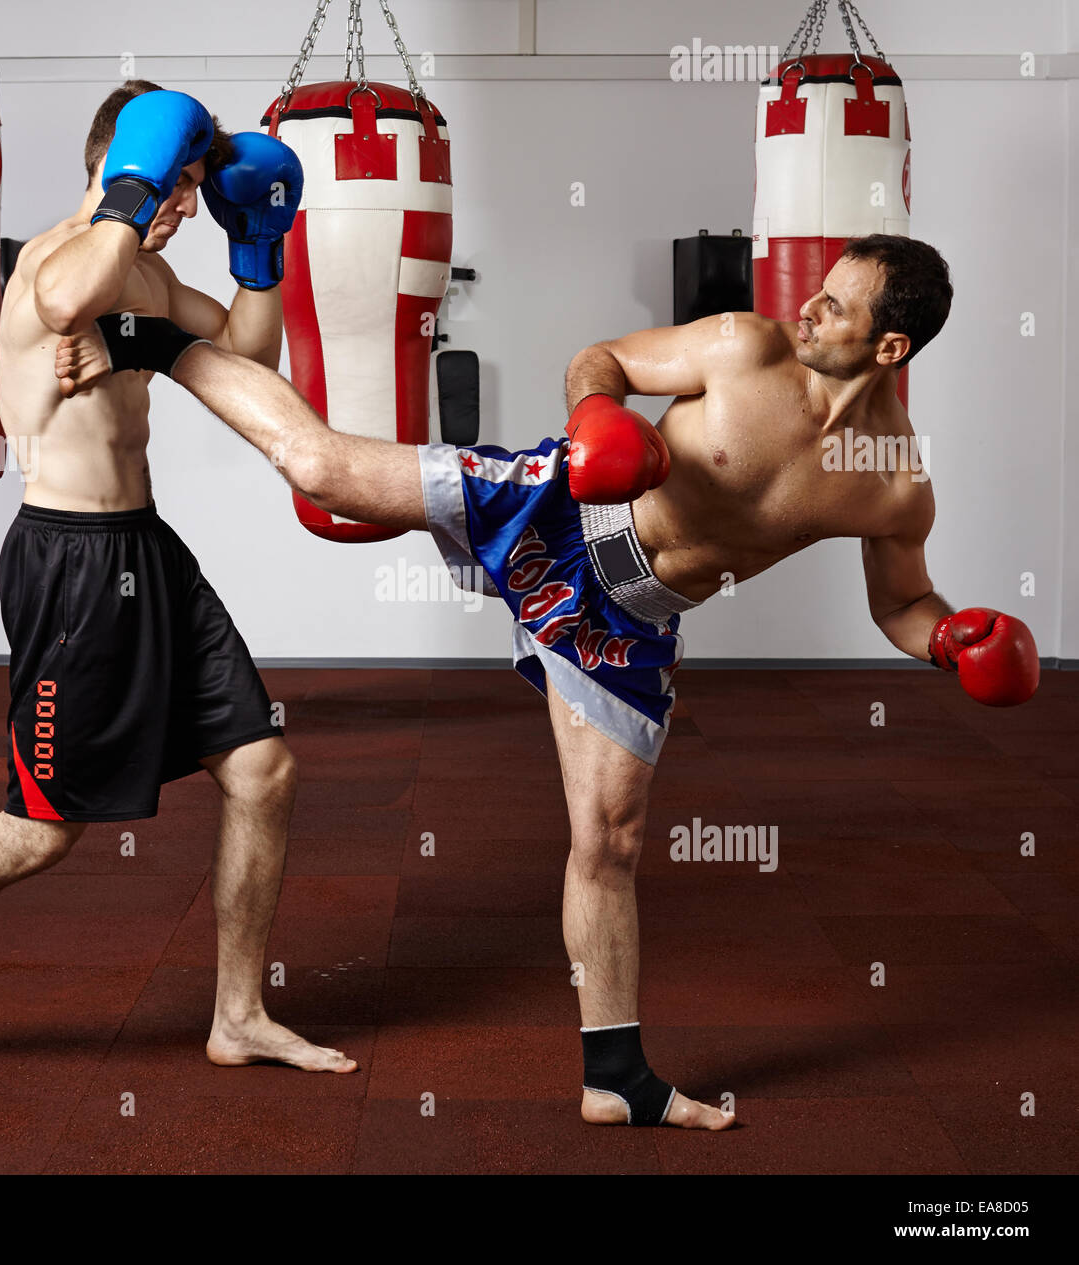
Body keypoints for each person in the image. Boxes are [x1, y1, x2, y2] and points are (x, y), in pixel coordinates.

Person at [54, 234, 1039, 1128]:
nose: (806, 309)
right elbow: (598, 358)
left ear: (888, 351)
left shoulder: (891, 481)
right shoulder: (742, 346)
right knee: (322, 470)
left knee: (608, 841)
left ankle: (616, 1077)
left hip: (627, 622)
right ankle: (151, 342)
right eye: (815, 292)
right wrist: (598, 414)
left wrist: (948, 638)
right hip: (563, 510)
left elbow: (899, 601)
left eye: (835, 306)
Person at [0, 81, 357, 1086]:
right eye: (179, 182)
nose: (188, 205)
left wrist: (261, 249)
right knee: (41, 826)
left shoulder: (146, 277)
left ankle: (239, 1013)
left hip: (148, 552)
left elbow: (248, 353)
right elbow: (70, 297)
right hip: (68, 563)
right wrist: (131, 192)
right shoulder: (50, 261)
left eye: (198, 188)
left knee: (263, 770)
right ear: (125, 164)